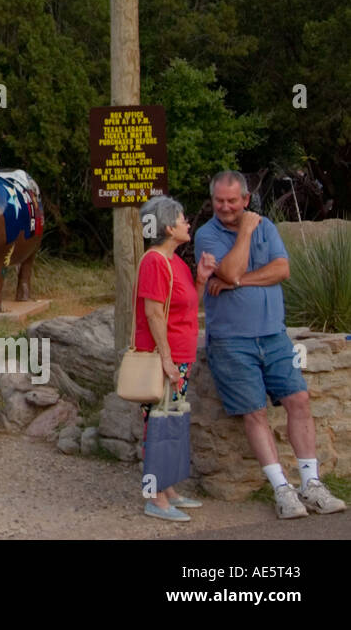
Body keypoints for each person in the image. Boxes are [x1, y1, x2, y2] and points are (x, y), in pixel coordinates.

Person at [194, 171, 346, 518]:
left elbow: (281, 270)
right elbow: (228, 271)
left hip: (274, 335)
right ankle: (282, 489)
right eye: (220, 201)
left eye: (233, 201)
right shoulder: (207, 235)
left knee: (299, 399)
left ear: (246, 199)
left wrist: (238, 281)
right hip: (233, 341)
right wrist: (244, 233)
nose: (226, 207)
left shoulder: (269, 228)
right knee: (255, 412)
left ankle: (311, 484)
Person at [134, 196, 208, 522]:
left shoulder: (175, 261)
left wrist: (202, 278)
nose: (187, 223)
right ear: (167, 227)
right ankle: (155, 496)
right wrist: (166, 358)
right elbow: (152, 312)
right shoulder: (154, 261)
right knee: (159, 424)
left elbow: (187, 306)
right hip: (164, 358)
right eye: (182, 218)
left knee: (172, 420)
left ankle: (169, 489)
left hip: (181, 356)